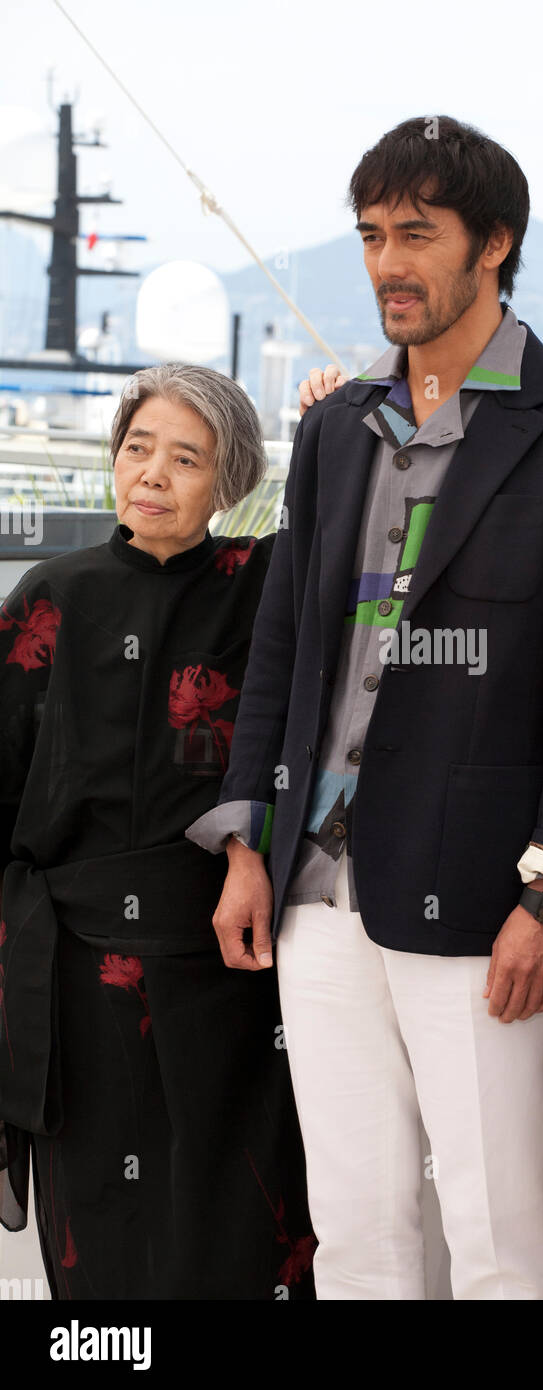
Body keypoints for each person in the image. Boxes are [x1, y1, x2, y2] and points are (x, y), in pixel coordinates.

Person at [187, 114, 543, 1300]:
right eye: (371, 235)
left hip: (480, 898)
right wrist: (249, 844)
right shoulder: (335, 429)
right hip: (315, 886)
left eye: (417, 233)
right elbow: (285, 647)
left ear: (492, 243)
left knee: (497, 1235)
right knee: (353, 1229)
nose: (388, 261)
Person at [0, 365, 315, 1299]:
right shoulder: (50, 594)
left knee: (232, 1211)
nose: (153, 474)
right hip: (76, 974)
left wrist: (345, 412)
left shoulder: (261, 586)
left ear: (230, 483)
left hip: (224, 963)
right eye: (139, 449)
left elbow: (361, 536)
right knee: (98, 1220)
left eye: (187, 458)